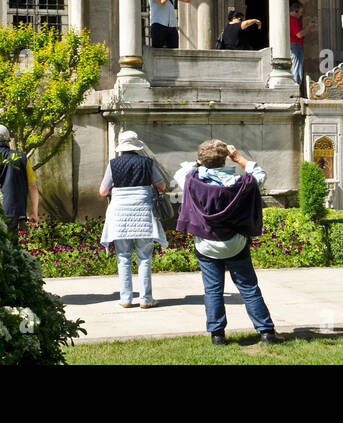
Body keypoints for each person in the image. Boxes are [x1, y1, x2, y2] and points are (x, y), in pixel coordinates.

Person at [175, 140, 284, 345]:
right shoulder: (241, 183)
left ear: (202, 160)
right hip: (235, 242)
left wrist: (199, 162)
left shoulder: (191, 181)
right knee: (249, 287)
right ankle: (266, 332)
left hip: (206, 243)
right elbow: (261, 175)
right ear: (225, 158)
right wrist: (239, 158)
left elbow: (179, 173)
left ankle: (217, 335)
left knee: (213, 290)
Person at [99, 131, 167, 308]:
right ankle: (146, 299)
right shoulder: (147, 163)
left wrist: (115, 185)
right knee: (145, 257)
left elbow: (103, 192)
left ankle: (126, 299)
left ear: (121, 147)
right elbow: (162, 185)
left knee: (123, 257)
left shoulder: (113, 164)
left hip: (120, 217)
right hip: (143, 215)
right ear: (136, 146)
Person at [0, 124, 38, 236]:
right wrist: (34, 212)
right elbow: (32, 186)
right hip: (12, 212)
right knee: (11, 247)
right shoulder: (22, 158)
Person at [289, 0, 316, 86]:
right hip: (295, 46)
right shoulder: (293, 20)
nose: (301, 14)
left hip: (294, 45)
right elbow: (299, 35)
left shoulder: (291, 20)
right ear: (295, 11)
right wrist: (309, 27)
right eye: (300, 12)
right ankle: (296, 89)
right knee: (296, 68)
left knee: (295, 67)